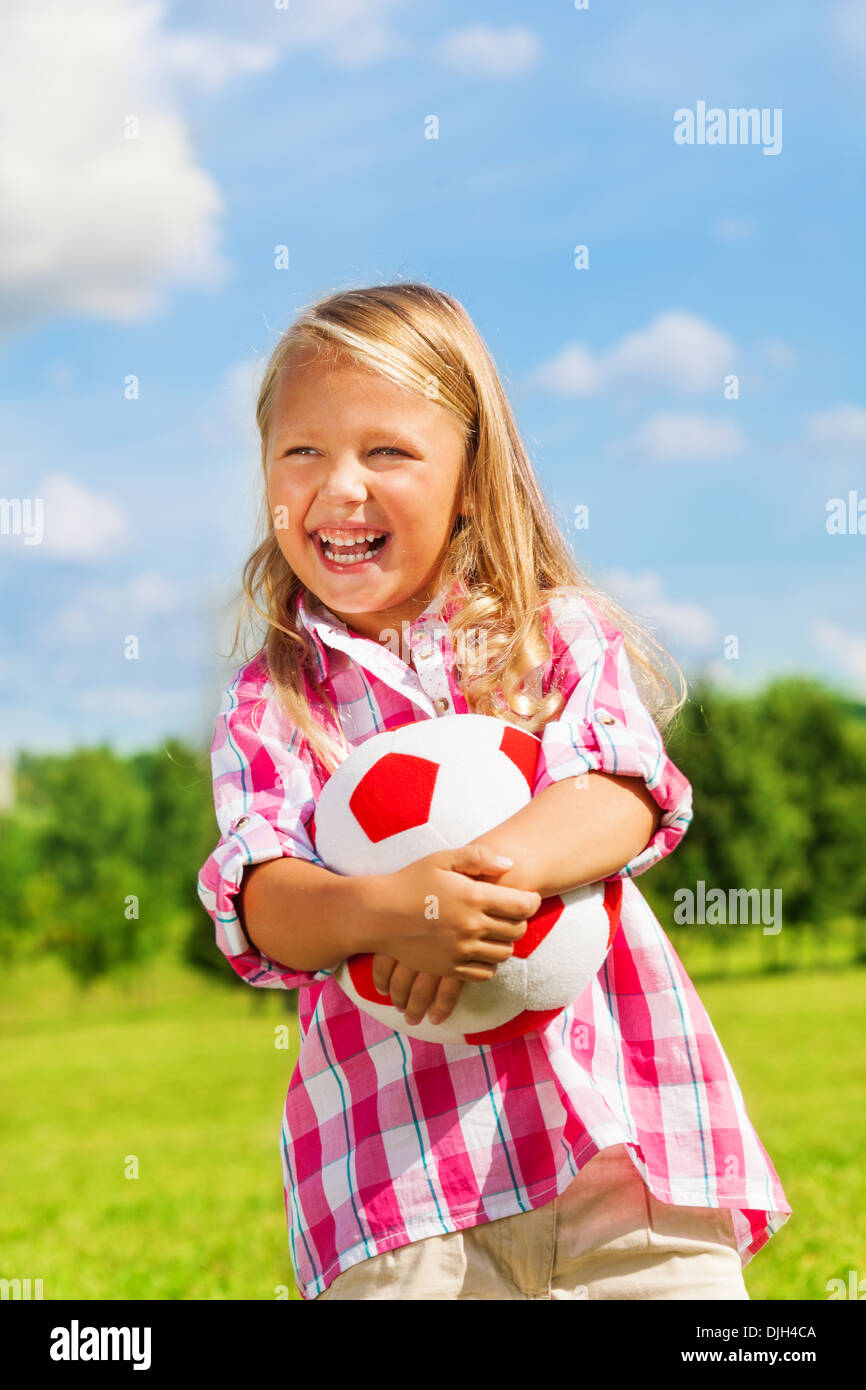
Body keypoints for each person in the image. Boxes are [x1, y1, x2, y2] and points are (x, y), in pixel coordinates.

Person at [196, 282, 791, 1301]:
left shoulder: (547, 634)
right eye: (302, 452)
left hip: (619, 1151)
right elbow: (261, 901)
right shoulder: (275, 697)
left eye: (387, 452)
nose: (340, 486)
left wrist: (477, 893)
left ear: (469, 478)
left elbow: (622, 788)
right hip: (400, 1185)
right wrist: (392, 907)